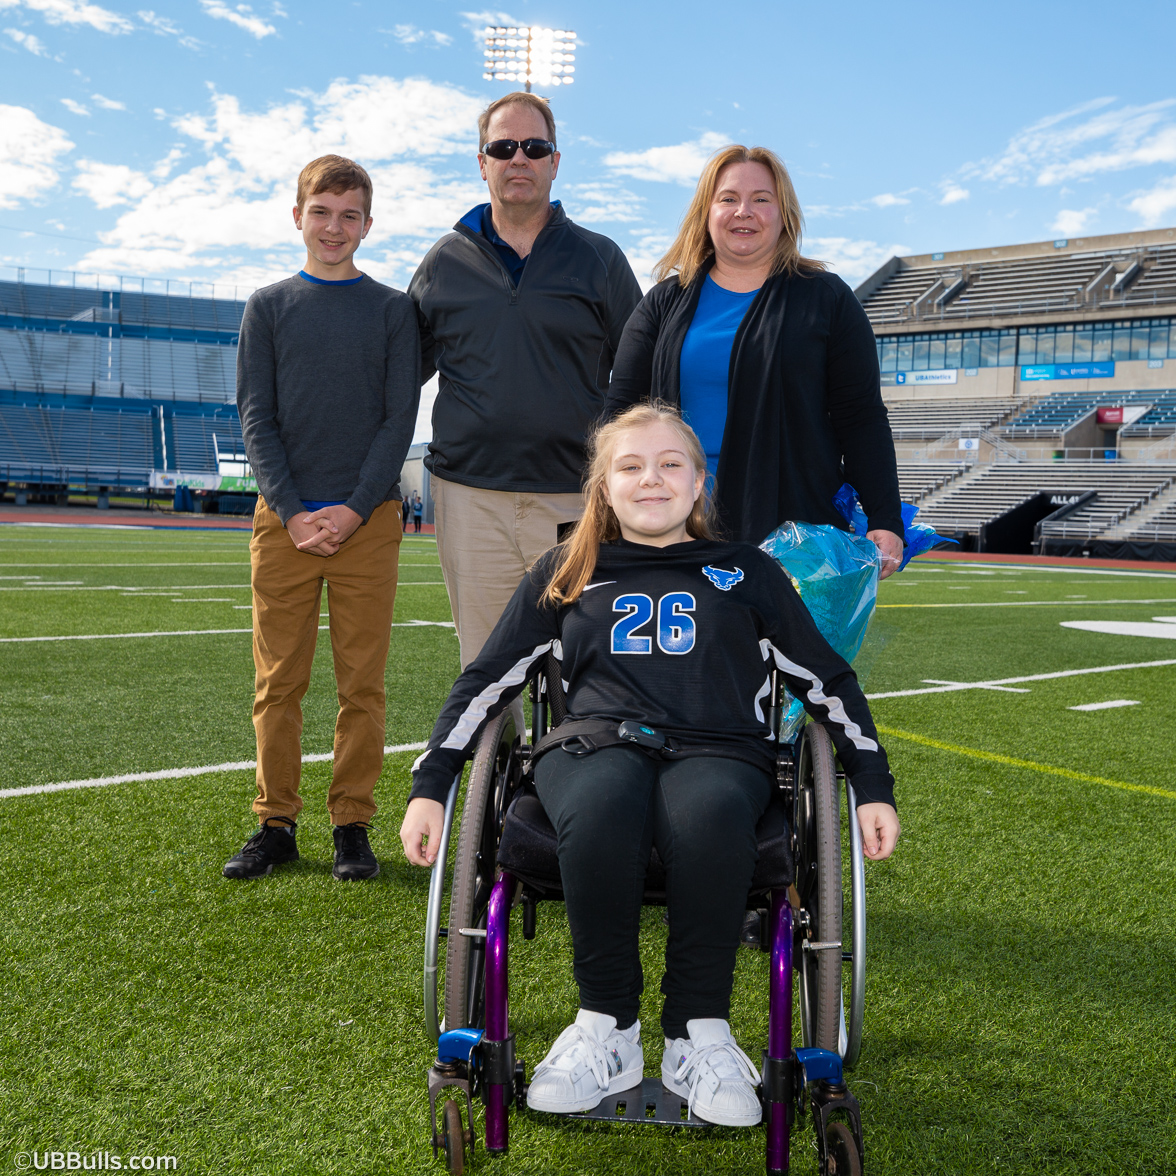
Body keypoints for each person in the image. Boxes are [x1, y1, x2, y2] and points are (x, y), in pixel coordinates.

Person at [400, 404, 899, 1125]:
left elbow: (827, 682)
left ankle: (697, 1033)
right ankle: (608, 1030)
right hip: (594, 745)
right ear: (604, 486)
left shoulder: (746, 572)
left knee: (709, 811)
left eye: (671, 464)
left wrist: (873, 784)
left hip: (719, 748)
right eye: (630, 466)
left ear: (700, 483)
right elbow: (487, 682)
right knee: (602, 804)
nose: (652, 479)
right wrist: (431, 786)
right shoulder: (567, 568)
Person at [225, 155, 420, 882]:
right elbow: (256, 417)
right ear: (297, 215)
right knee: (279, 681)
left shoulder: (393, 310)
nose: (334, 227)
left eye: (349, 215)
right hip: (285, 522)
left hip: (367, 522)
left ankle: (351, 823)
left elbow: (399, 418)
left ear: (367, 225)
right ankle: (275, 821)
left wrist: (353, 504)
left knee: (361, 684)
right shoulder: (268, 306)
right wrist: (295, 509)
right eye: (321, 212)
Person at [409, 91, 643, 668]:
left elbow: (640, 373)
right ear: (482, 161)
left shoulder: (599, 258)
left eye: (534, 147)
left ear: (555, 162)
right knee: (485, 665)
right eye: (503, 147)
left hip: (573, 498)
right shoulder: (445, 261)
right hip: (470, 498)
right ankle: (497, 759)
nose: (519, 158)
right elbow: (400, 375)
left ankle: (574, 762)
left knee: (583, 663)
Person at [605, 145, 904, 577]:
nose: (743, 211)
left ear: (783, 215)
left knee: (785, 646)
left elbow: (861, 418)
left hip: (793, 529)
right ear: (706, 212)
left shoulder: (827, 299)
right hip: (674, 525)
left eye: (762, 199)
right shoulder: (664, 303)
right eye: (728, 198)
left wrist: (885, 518)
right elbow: (619, 415)